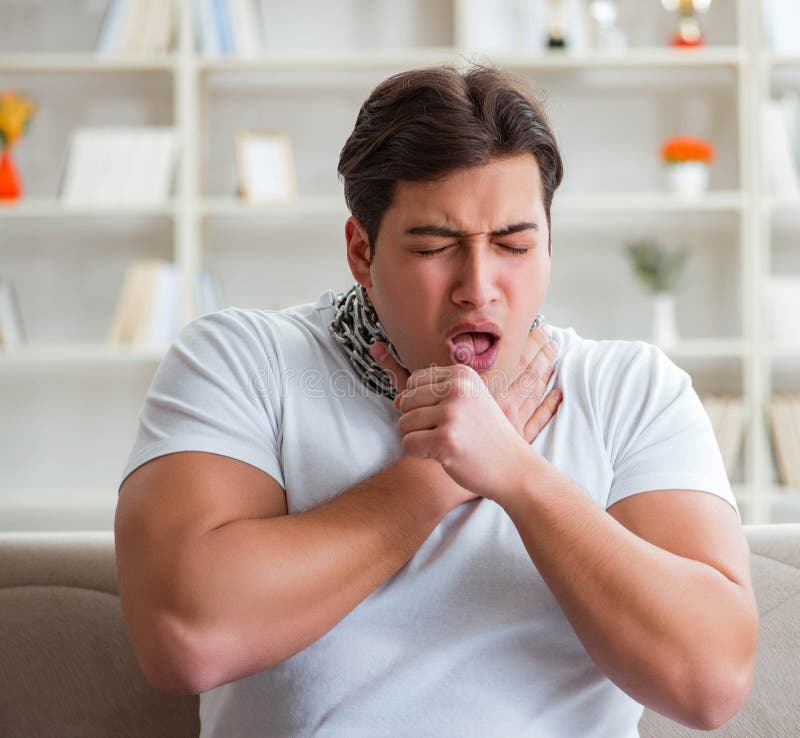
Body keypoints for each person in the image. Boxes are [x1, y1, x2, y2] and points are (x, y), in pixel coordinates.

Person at [115, 65, 758, 737]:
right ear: (361, 252)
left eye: (514, 244)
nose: (479, 287)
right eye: (434, 246)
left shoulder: (633, 389)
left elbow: (709, 682)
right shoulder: (245, 361)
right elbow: (184, 636)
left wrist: (517, 472)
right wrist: (433, 480)